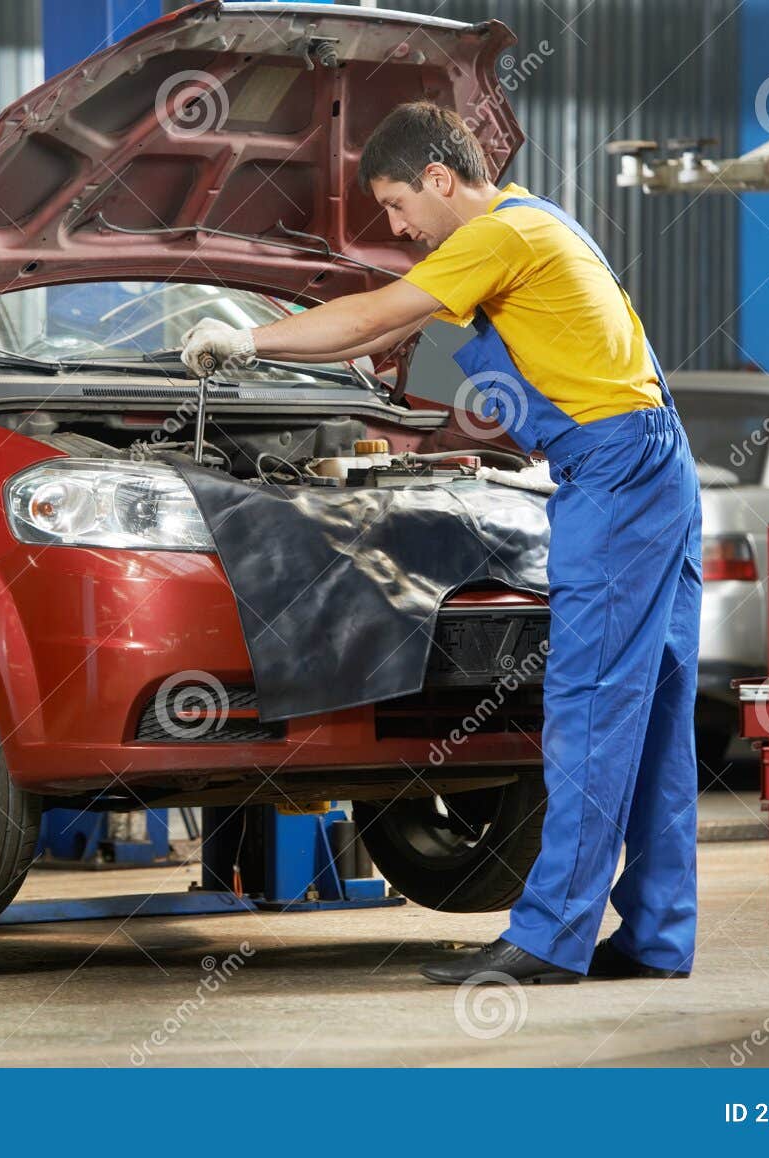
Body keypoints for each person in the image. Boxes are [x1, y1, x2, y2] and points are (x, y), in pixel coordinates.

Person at [181, 101, 702, 986]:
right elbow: (386, 329)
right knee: (654, 710)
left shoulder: (499, 236)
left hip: (614, 476)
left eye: (395, 207)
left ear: (438, 178)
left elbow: (371, 312)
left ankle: (548, 939)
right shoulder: (540, 220)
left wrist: (246, 340)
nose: (397, 228)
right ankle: (655, 933)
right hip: (657, 463)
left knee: (587, 705)